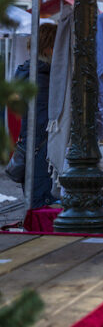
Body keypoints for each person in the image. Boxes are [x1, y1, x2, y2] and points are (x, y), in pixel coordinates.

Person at [9, 23, 58, 209]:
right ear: (48, 49)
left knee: (34, 199)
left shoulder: (25, 71)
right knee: (43, 203)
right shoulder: (43, 75)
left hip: (30, 143)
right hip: (43, 146)